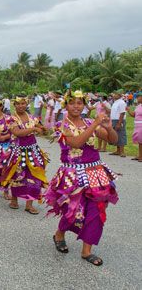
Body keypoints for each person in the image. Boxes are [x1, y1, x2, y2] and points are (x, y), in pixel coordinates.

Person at [45, 90, 118, 267]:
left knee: (96, 210)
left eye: (80, 103)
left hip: (96, 172)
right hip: (72, 174)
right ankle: (59, 234)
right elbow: (76, 143)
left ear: (84, 105)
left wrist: (108, 127)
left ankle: (87, 251)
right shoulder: (61, 126)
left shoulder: (88, 122)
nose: (77, 106)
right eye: (72, 103)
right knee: (73, 210)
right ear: (65, 106)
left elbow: (113, 141)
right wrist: (94, 124)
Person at [1, 95, 48, 214]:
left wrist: (44, 129)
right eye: (18, 104)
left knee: (35, 175)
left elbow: (40, 128)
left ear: (26, 104)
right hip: (17, 150)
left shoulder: (32, 117)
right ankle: (14, 200)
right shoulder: (11, 119)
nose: (21, 106)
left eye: (23, 103)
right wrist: (33, 129)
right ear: (14, 105)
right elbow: (17, 132)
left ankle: (29, 204)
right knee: (17, 175)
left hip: (33, 150)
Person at [109, 92, 127, 157]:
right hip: (114, 120)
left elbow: (122, 113)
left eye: (115, 94)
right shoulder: (115, 102)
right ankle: (118, 150)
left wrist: (119, 123)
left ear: (119, 95)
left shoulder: (121, 102)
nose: (113, 95)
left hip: (119, 120)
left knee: (121, 135)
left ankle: (122, 151)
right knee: (116, 135)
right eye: (113, 94)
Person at [127, 92, 142, 161]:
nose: (137, 98)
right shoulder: (138, 106)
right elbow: (134, 115)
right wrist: (129, 110)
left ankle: (141, 157)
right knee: (139, 141)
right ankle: (139, 155)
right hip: (137, 125)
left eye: (139, 97)